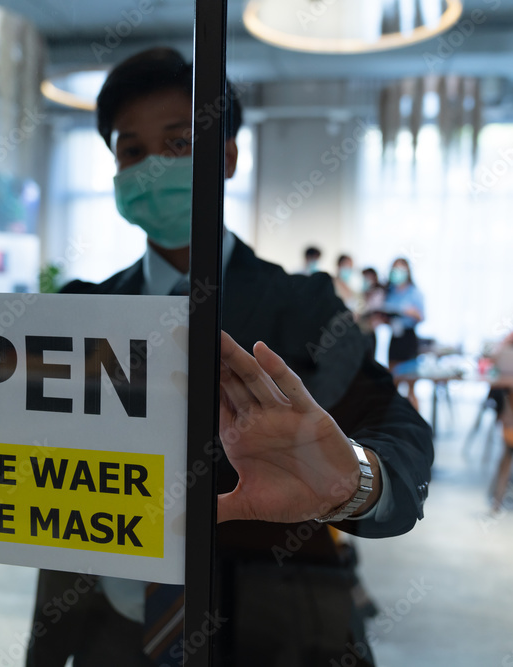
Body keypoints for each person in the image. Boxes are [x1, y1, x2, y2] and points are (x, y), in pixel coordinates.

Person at [25, 48, 432, 667]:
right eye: (131, 151)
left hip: (268, 627)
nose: (153, 165)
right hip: (105, 624)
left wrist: (354, 483)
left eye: (180, 142)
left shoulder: (301, 307)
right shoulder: (83, 312)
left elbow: (399, 434)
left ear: (228, 157)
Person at [382, 257, 425, 371]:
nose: (397, 272)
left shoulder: (414, 292)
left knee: (411, 377)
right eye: (395, 269)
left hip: (408, 337)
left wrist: (410, 312)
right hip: (394, 337)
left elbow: (422, 317)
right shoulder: (389, 291)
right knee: (393, 375)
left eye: (401, 269)